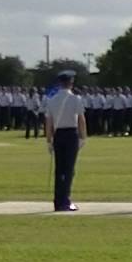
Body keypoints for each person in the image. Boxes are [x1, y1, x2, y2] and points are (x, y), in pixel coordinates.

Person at [44, 70, 87, 211]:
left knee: (59, 169)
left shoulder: (52, 100)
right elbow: (81, 119)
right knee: (69, 169)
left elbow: (49, 122)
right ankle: (66, 200)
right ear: (71, 83)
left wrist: (49, 140)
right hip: (70, 134)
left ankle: (58, 200)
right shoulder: (76, 99)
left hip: (58, 134)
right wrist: (83, 137)